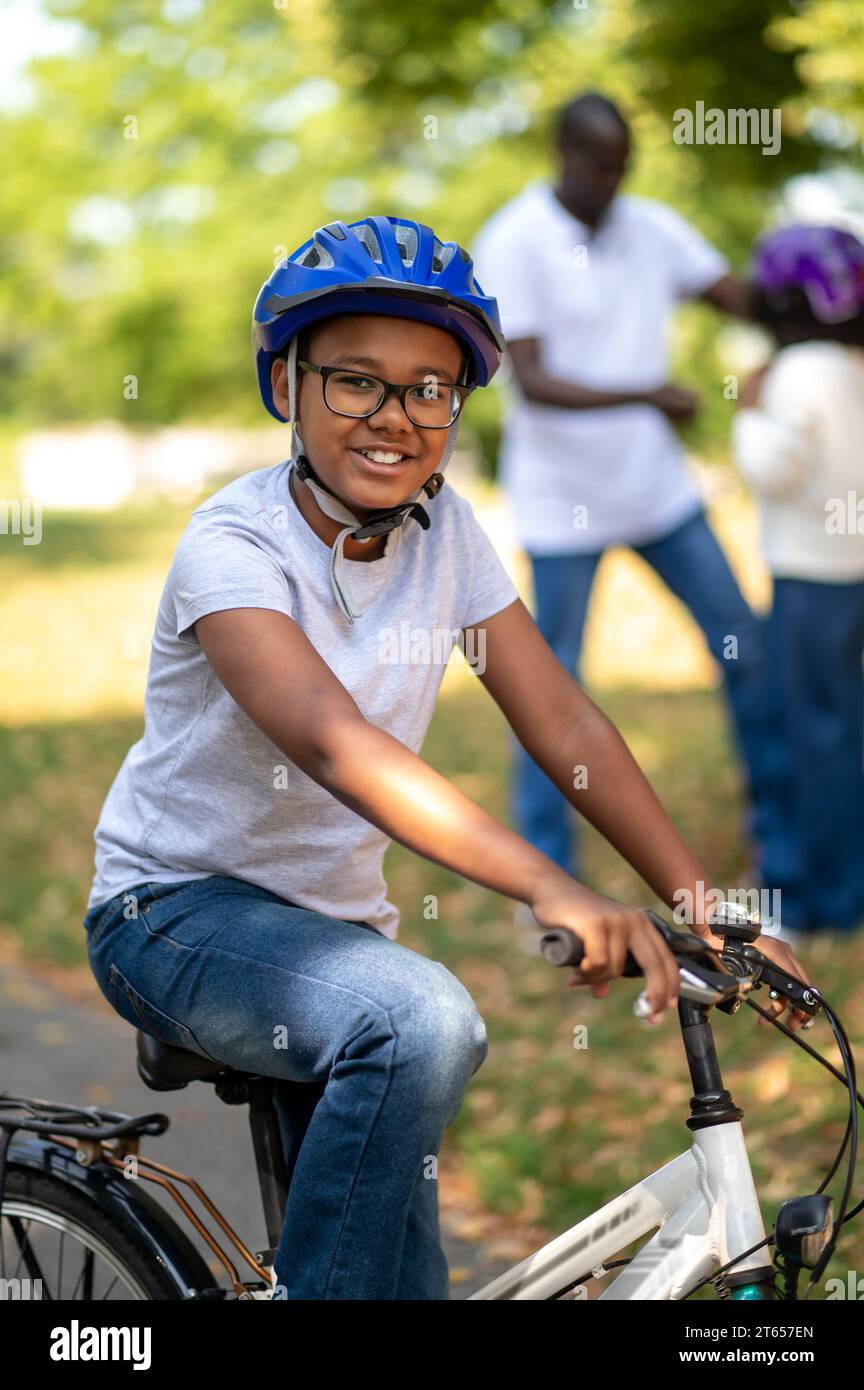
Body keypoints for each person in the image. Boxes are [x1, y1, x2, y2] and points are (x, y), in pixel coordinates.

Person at [82, 214, 812, 1301]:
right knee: (422, 1018)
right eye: (357, 383)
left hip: (328, 942)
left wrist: (703, 899)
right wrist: (549, 884)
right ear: (286, 383)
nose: (396, 417)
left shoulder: (445, 534)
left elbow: (560, 721)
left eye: (432, 389)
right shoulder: (230, 546)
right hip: (175, 916)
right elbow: (336, 744)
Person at [470, 91, 781, 888]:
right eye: (598, 165)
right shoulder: (516, 238)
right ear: (562, 153)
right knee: (548, 688)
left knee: (743, 647)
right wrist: (647, 394)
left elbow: (735, 295)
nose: (611, 181)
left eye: (622, 166)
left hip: (658, 494)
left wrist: (816, 323)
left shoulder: (652, 227)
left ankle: (781, 844)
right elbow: (531, 380)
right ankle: (548, 878)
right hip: (559, 504)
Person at [732, 224, 864, 936]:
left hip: (808, 577)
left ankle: (809, 900)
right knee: (842, 732)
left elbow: (773, 470)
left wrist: (747, 412)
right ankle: (846, 886)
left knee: (800, 735)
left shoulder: (795, 371)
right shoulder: (851, 362)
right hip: (852, 571)